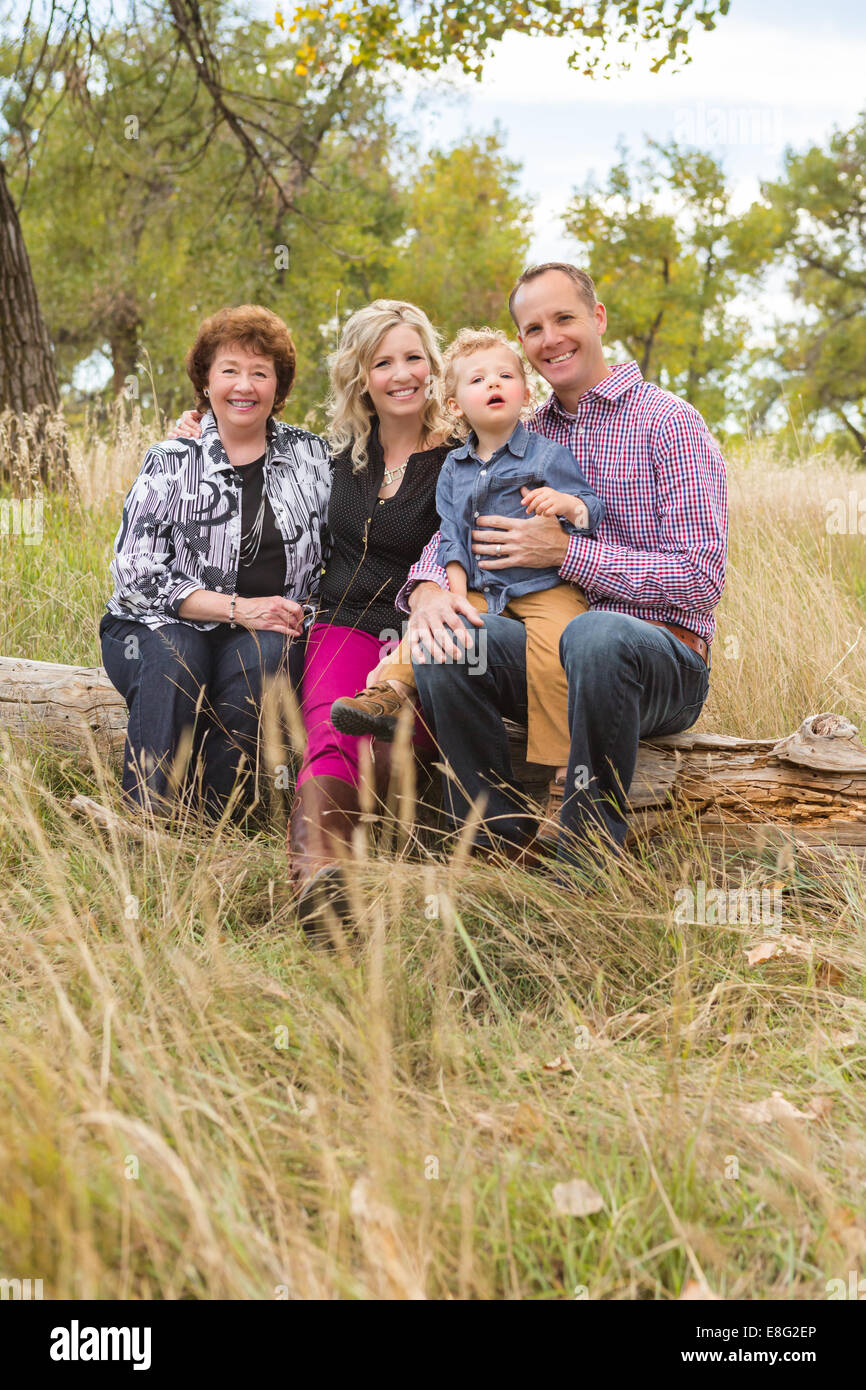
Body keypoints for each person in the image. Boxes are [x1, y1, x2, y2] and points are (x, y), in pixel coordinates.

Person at [395, 264, 728, 869]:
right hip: (542, 656)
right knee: (448, 640)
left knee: (593, 633)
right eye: (533, 328)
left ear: (597, 319)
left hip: (657, 664)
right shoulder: (523, 428)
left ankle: (584, 859)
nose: (551, 338)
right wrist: (426, 589)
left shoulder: (669, 423)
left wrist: (568, 553)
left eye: (564, 319)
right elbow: (459, 531)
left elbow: (701, 576)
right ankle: (494, 846)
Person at [331, 327, 605, 774]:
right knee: (434, 630)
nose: (493, 384)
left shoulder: (547, 456)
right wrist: (455, 596)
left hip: (545, 589)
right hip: (483, 587)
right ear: (456, 404)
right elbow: (452, 539)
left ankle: (561, 769)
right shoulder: (454, 468)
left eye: (504, 376)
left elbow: (591, 511)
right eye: (478, 380)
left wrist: (566, 505)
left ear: (525, 391)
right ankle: (390, 693)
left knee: (554, 655)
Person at [100, 304, 330, 818]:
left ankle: (215, 824)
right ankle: (147, 821)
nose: (243, 385)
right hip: (155, 624)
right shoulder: (172, 459)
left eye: (259, 372)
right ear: (206, 382)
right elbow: (136, 574)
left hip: (266, 628)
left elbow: (339, 549)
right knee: (174, 654)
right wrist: (238, 608)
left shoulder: (313, 459)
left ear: (278, 387)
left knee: (269, 655)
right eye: (229, 370)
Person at [288, 300, 455, 930]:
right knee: (332, 729)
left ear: (434, 368)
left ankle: (372, 856)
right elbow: (251, 446)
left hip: (417, 635)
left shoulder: (461, 461)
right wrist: (195, 432)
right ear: (361, 378)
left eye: (414, 357)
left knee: (386, 745)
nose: (402, 373)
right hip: (339, 624)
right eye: (383, 362)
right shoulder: (336, 461)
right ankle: (321, 882)